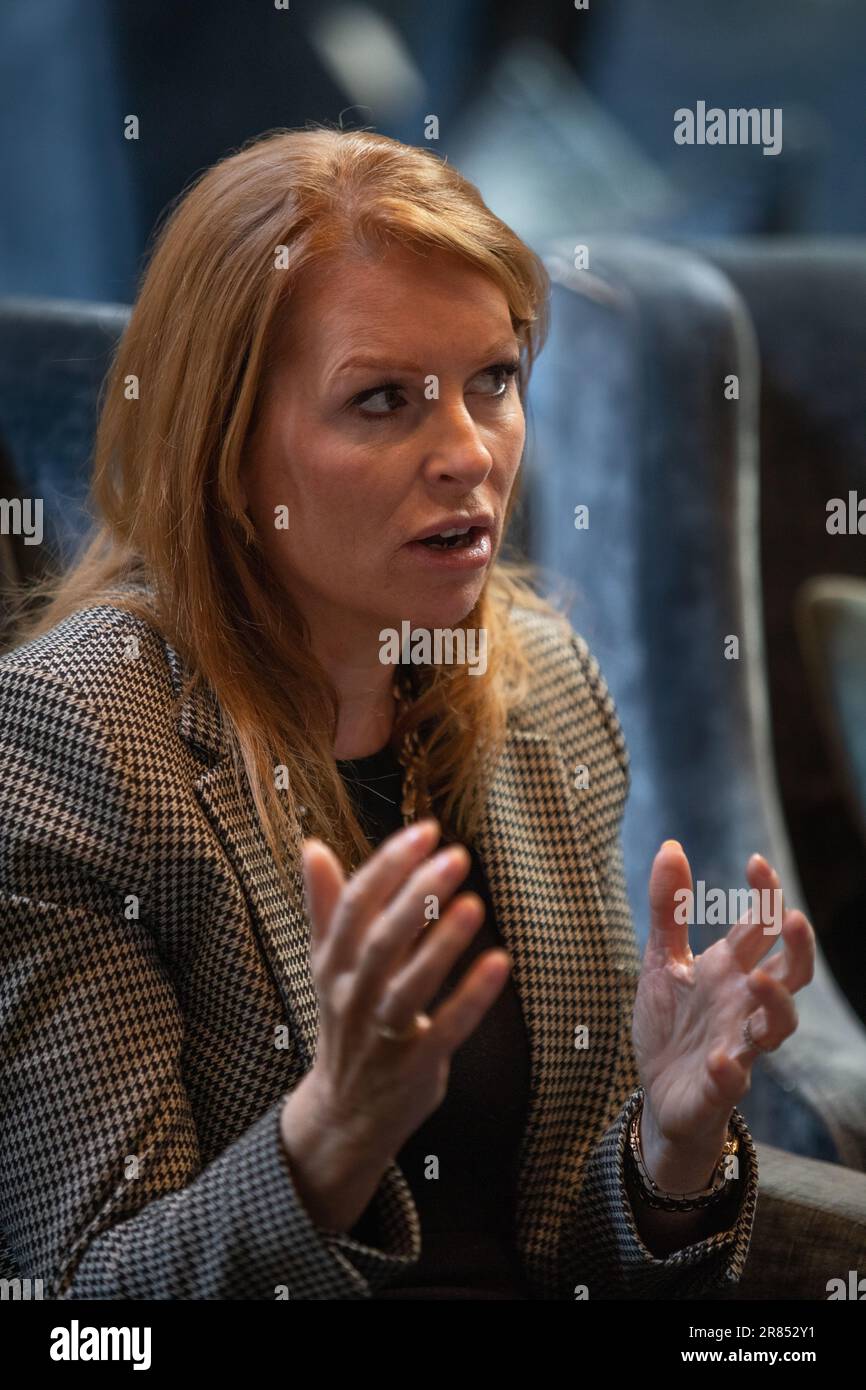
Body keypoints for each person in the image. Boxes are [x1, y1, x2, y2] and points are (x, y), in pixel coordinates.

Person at [0, 125, 815, 1301]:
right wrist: (329, 1134)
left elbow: (559, 1244)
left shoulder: (545, 692)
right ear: (226, 451)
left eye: (492, 380)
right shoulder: (69, 742)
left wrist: (669, 1149)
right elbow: (96, 1301)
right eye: (381, 401)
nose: (467, 455)